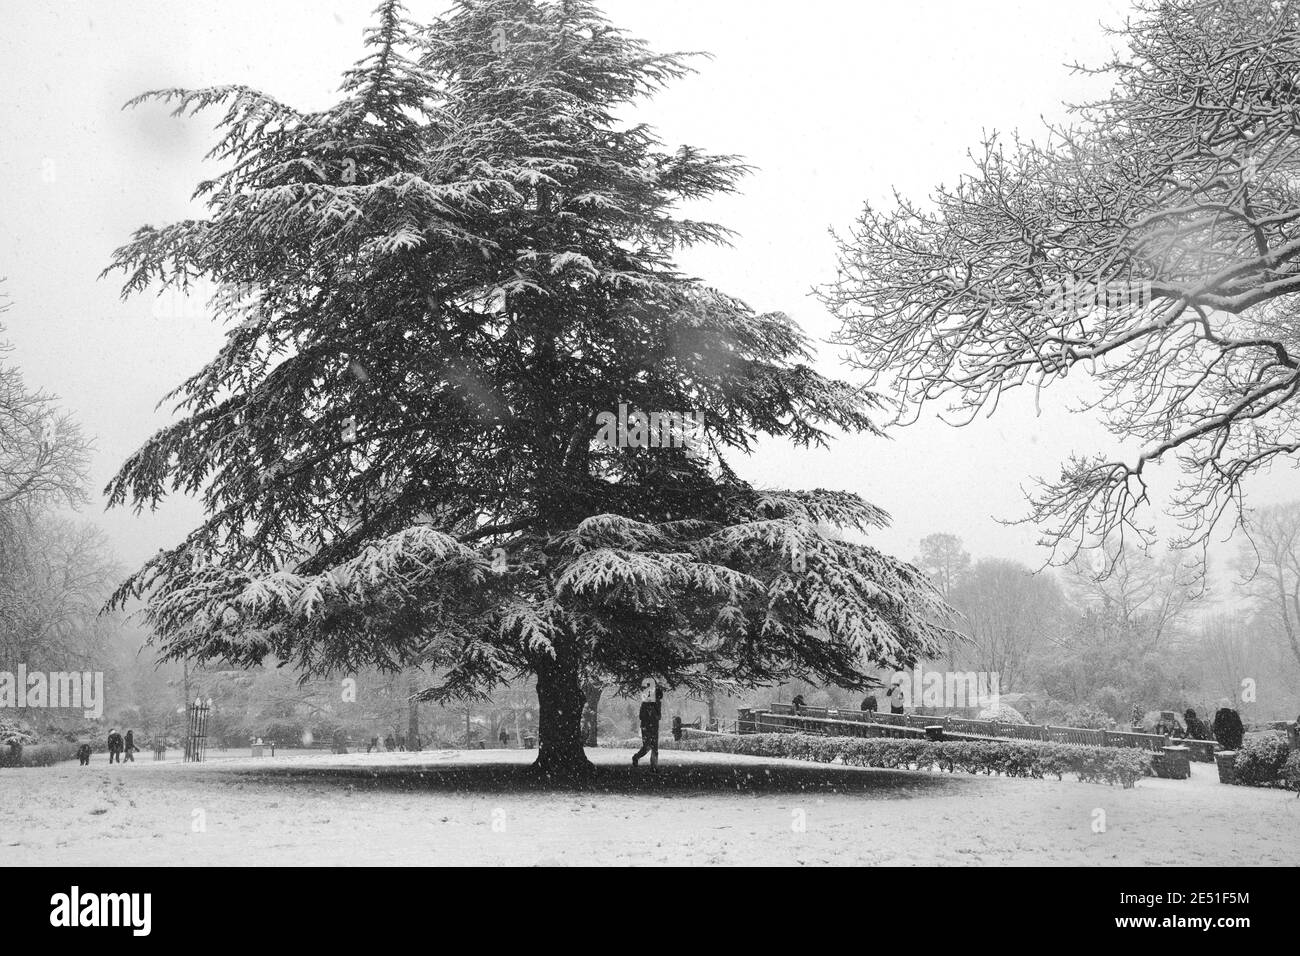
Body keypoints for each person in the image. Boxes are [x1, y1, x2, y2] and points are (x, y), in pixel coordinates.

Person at [632, 678, 663, 769]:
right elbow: (641, 716)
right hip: (646, 727)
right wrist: (648, 716)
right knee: (647, 747)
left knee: (654, 748)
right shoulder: (645, 703)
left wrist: (653, 713)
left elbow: (659, 716)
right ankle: (636, 757)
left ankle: (654, 767)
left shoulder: (657, 704)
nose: (657, 700)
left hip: (653, 727)